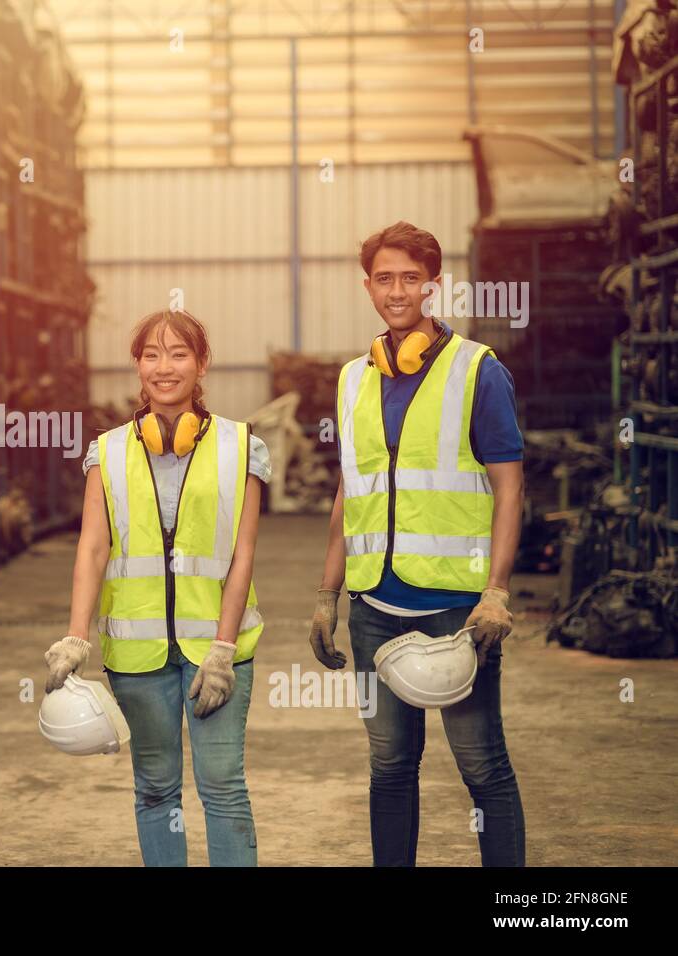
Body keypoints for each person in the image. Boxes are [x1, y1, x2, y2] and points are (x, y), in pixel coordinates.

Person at [307, 220, 526, 866]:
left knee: (482, 764)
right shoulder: (354, 381)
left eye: (410, 278)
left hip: (459, 612)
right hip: (376, 607)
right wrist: (328, 595)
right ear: (367, 285)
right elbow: (351, 494)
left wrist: (497, 591)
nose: (397, 291)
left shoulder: (478, 372)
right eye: (384, 278)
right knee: (390, 766)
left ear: (432, 284)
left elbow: (510, 488)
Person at [44, 309, 270, 866]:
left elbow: (243, 554)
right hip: (137, 654)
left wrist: (222, 648)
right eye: (151, 355)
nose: (164, 368)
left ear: (202, 363)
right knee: (155, 788)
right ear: (137, 365)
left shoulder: (243, 446)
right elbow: (93, 548)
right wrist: (76, 635)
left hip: (217, 651)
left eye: (178, 354)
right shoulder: (109, 450)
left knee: (222, 786)